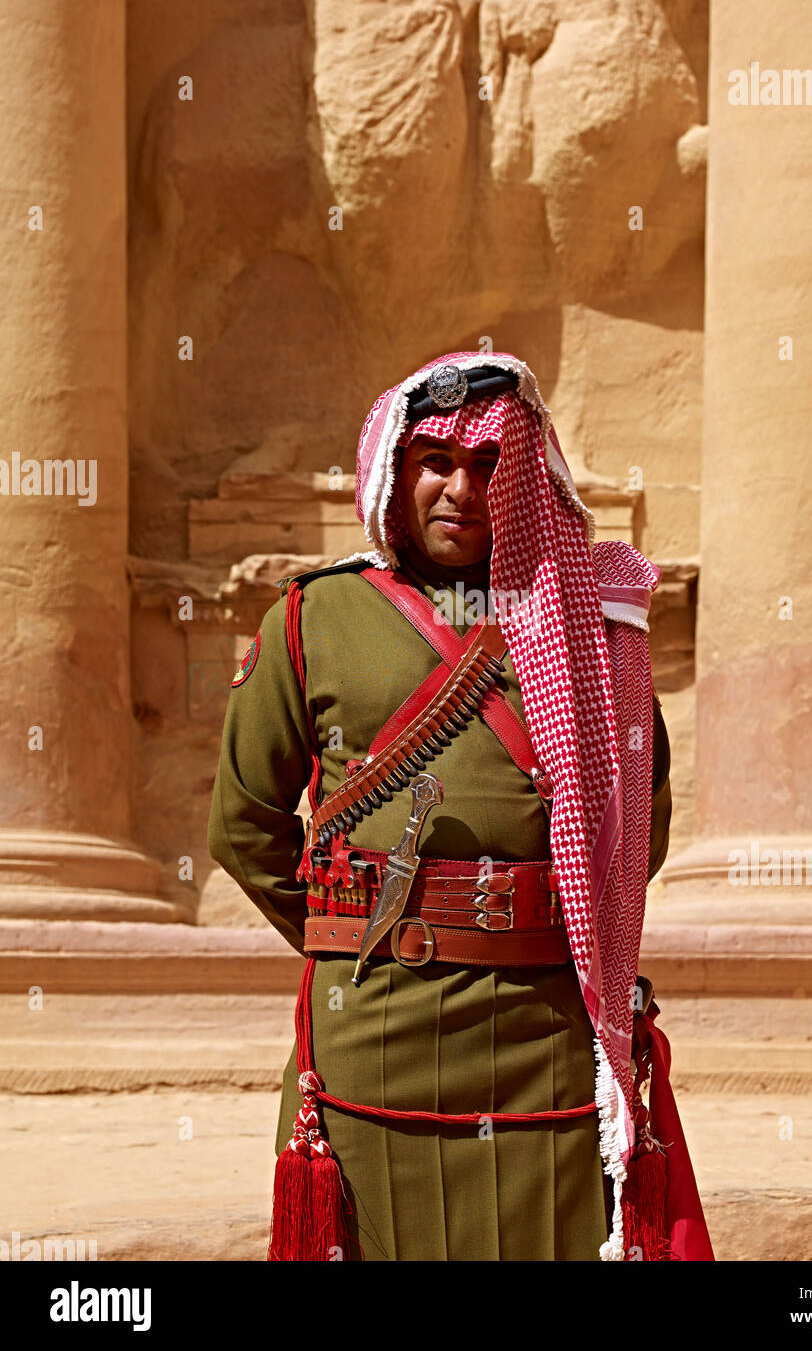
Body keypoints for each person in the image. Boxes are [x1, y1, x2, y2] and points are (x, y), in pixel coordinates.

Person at [206, 350, 712, 1262]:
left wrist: (557, 937)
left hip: (546, 1021)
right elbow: (243, 826)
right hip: (374, 1022)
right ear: (394, 474)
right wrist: (360, 929)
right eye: (434, 461)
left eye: (488, 465)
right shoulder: (311, 618)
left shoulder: (596, 629)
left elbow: (636, 828)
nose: (459, 487)